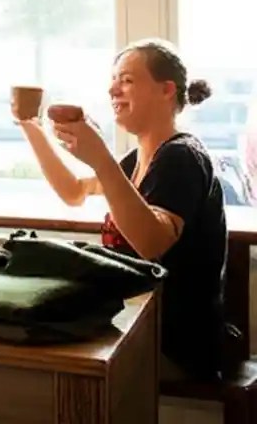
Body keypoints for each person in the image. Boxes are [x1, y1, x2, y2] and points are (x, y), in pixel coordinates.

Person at [18, 38, 229, 381]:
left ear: (166, 90)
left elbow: (153, 241)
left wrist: (100, 158)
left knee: (44, 368)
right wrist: (31, 126)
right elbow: (73, 191)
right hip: (134, 326)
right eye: (114, 80)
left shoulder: (182, 157)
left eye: (127, 80)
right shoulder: (136, 160)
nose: (113, 88)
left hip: (174, 346)